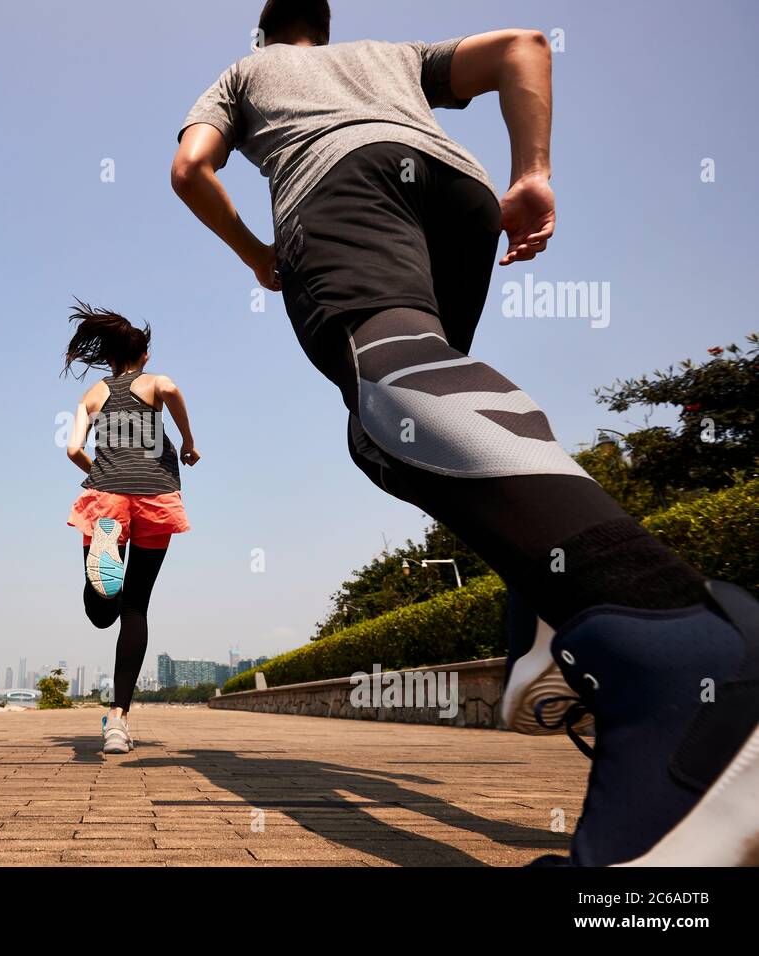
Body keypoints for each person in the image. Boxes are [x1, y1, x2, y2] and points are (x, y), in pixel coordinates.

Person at [170, 0, 759, 865]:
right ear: (323, 28)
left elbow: (190, 168)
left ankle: (679, 648)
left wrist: (257, 252)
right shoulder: (391, 55)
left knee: (396, 389)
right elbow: (521, 45)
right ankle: (547, 623)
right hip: (456, 191)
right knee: (413, 412)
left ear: (263, 32)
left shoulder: (245, 71)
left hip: (338, 186)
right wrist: (534, 174)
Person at [62, 301, 199, 754]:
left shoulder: (96, 394)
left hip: (107, 496)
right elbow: (173, 388)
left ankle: (103, 579)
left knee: (102, 613)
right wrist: (188, 442)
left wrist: (97, 467)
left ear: (110, 357)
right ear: (142, 355)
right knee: (137, 608)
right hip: (155, 496)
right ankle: (118, 720)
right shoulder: (153, 382)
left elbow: (73, 448)